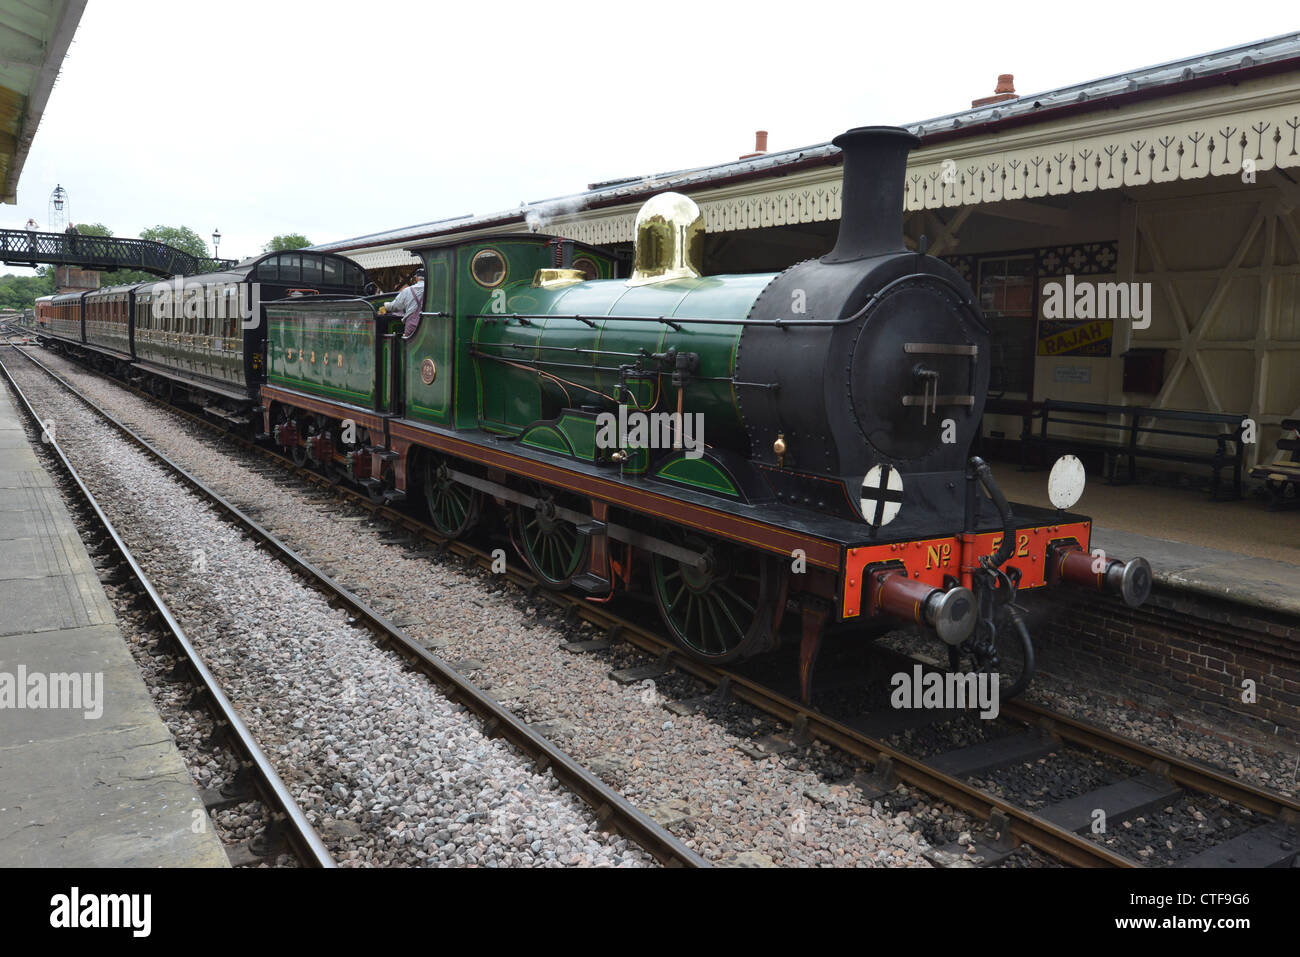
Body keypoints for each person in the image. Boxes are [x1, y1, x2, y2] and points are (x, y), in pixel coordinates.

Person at [381, 268, 426, 339]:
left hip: (412, 325)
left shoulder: (408, 290)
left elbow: (395, 306)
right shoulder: (432, 290)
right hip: (428, 325)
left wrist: (386, 306)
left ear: (417, 278)